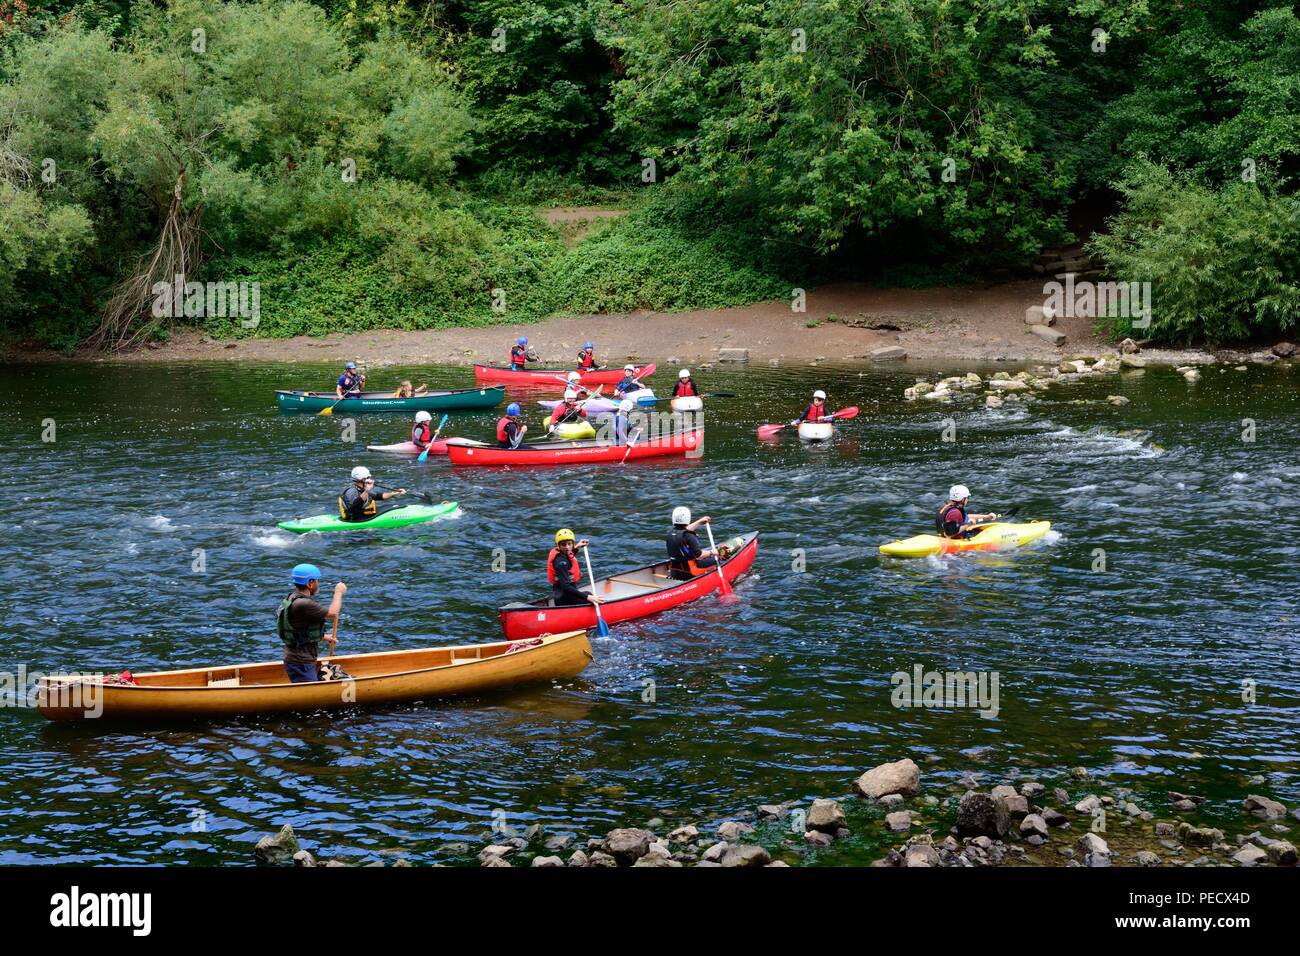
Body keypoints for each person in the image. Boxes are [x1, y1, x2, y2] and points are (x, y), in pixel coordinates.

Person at [277, 564, 346, 683]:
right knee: (311, 698)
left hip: (298, 659)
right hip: (301, 662)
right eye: (317, 581)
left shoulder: (292, 598)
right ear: (310, 583)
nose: (318, 584)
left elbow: (298, 628)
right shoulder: (304, 604)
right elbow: (333, 613)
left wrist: (323, 637)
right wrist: (338, 592)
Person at [548, 529, 602, 607]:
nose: (567, 547)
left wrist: (577, 547)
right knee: (588, 595)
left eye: (569, 544)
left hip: (561, 594)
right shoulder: (561, 563)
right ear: (558, 546)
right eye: (563, 544)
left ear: (573, 544)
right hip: (564, 598)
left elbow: (568, 555)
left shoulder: (561, 555)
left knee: (587, 594)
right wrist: (589, 597)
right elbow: (566, 587)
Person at [665, 507, 719, 581]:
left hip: (675, 572)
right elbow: (699, 555)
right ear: (688, 518)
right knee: (718, 560)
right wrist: (712, 552)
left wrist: (699, 522)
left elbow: (683, 531)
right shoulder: (689, 535)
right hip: (691, 572)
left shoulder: (670, 533)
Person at [338, 466, 406, 522]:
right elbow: (355, 506)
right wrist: (367, 490)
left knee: (390, 506)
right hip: (355, 520)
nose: (370, 479)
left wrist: (395, 493)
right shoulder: (351, 491)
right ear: (364, 479)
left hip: (364, 516)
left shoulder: (362, 489)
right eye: (368, 478)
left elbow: (379, 496)